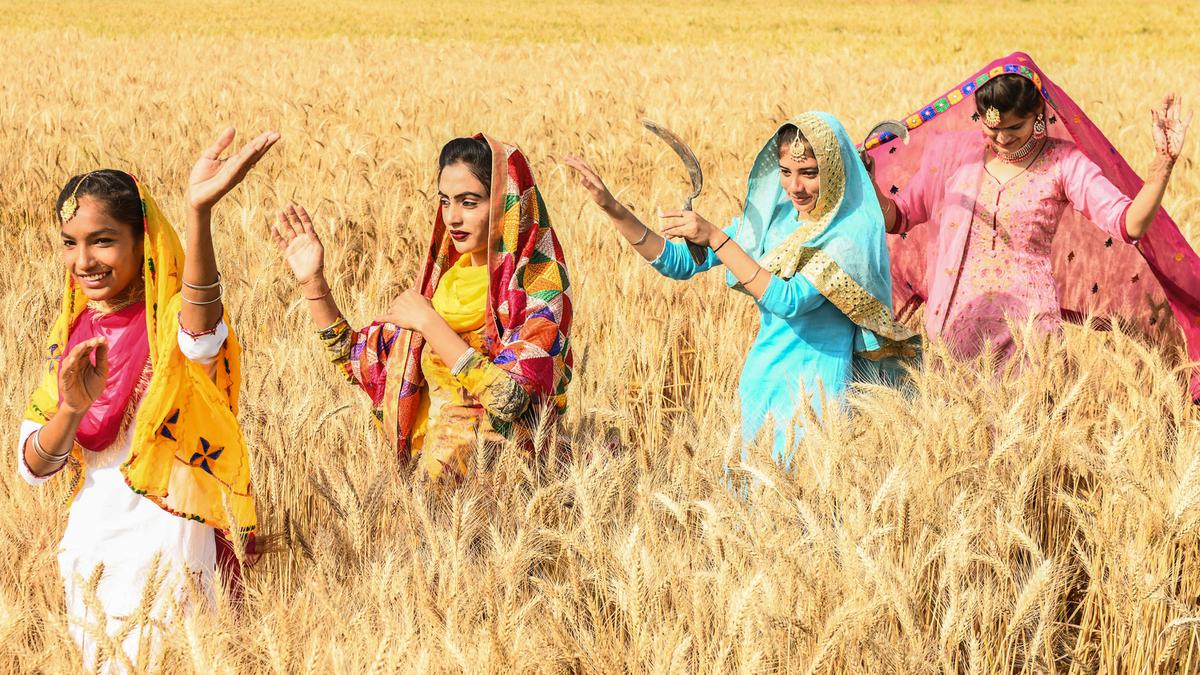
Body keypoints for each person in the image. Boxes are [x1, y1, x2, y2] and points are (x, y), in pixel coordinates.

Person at [18, 128, 278, 670]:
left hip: (168, 549)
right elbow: (34, 468)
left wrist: (198, 213)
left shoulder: (170, 332)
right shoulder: (73, 335)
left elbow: (201, 334)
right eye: (70, 242)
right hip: (92, 553)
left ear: (144, 240)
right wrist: (70, 407)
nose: (83, 260)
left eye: (103, 240)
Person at [568, 112, 914, 466]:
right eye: (785, 171)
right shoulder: (772, 223)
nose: (795, 187)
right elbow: (678, 262)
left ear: (835, 172)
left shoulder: (847, 236)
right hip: (761, 386)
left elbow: (787, 299)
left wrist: (716, 238)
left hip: (816, 397)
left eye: (809, 173)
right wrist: (612, 208)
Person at [864, 53, 1198, 394]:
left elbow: (1129, 225)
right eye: (992, 127)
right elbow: (898, 217)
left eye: (1014, 128)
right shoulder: (954, 156)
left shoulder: (1063, 163)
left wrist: (1163, 164)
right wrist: (868, 183)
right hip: (956, 324)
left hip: (1028, 331)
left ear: (1038, 116)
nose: (1002, 138)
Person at [272, 135, 572, 482]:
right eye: (445, 202)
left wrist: (429, 323)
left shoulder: (538, 288)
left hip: (508, 494)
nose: (453, 217)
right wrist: (313, 284)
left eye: (469, 202)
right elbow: (357, 359)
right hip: (434, 493)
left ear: (506, 204)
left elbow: (511, 398)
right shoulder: (440, 287)